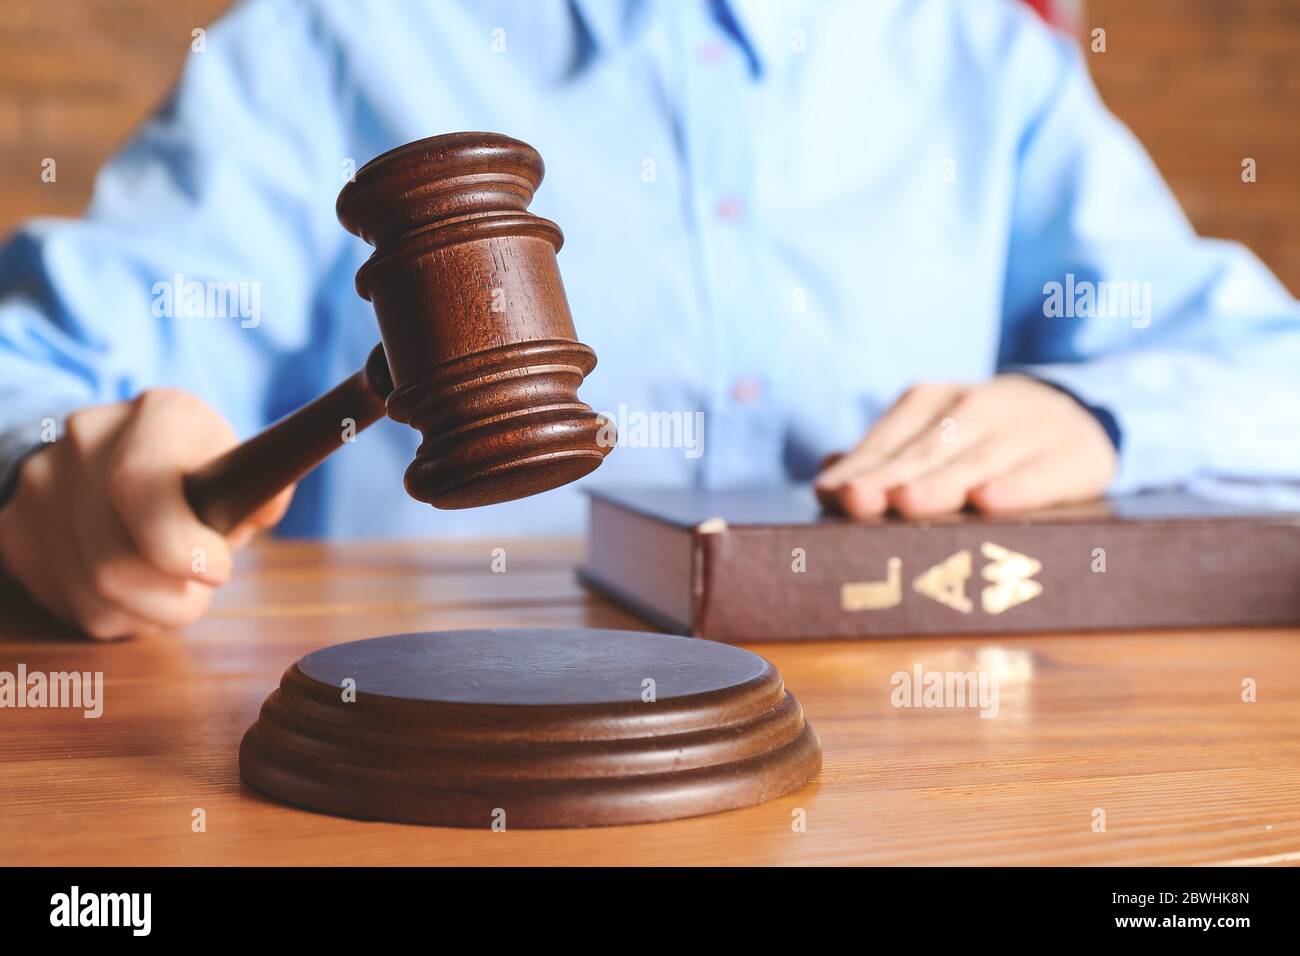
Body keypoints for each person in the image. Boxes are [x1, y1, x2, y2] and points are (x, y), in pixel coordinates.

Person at [1, 0, 1298, 639]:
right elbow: (33, 372)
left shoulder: (979, 60)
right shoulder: (318, 42)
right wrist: (54, 465)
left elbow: (1273, 373)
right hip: (427, 799)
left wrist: (1099, 415)